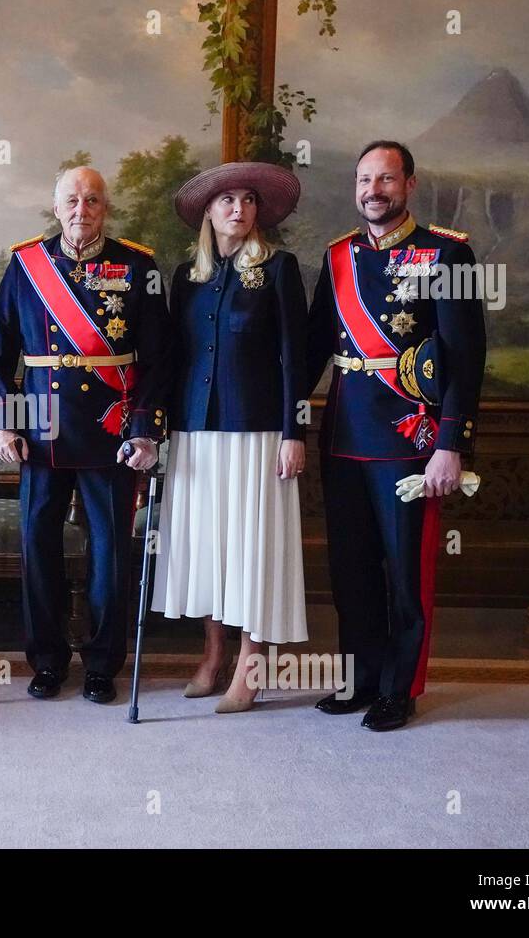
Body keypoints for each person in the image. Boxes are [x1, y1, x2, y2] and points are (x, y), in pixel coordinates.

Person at [306, 140, 486, 731]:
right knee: (351, 568)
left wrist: (451, 444)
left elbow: (464, 357)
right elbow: (311, 352)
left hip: (413, 438)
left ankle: (399, 687)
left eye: (385, 179)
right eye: (364, 180)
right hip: (345, 434)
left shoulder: (449, 254)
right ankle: (360, 678)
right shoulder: (337, 258)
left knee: (406, 570)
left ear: (409, 184)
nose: (372, 191)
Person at [0, 166, 172, 704]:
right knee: (38, 548)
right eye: (71, 199)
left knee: (111, 552)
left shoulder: (139, 265)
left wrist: (145, 432)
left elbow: (158, 359)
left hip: (111, 430)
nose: (81, 209)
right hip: (41, 430)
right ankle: (45, 660)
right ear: (55, 204)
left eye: (92, 200)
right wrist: (2, 423)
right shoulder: (26, 265)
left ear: (104, 207)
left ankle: (102, 662)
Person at [151, 162, 309, 713]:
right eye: (227, 201)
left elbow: (298, 356)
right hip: (196, 432)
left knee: (250, 550)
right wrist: (156, 430)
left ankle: (250, 662)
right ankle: (212, 657)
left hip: (259, 432)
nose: (238, 209)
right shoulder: (185, 277)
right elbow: (173, 358)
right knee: (209, 549)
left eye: (247, 200)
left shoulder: (280, 269)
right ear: (208, 212)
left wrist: (295, 431)